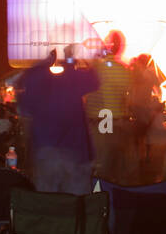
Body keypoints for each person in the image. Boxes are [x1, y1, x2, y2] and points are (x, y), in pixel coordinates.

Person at [18, 49, 99, 195]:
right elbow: (93, 80)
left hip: (45, 151)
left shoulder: (35, 83)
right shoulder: (71, 81)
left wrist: (45, 62)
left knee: (48, 203)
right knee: (76, 204)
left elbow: (24, 100)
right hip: (76, 152)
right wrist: (70, 60)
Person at [85, 37, 134, 182]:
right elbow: (127, 94)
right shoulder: (122, 69)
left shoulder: (96, 69)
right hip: (117, 118)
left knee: (101, 161)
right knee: (115, 162)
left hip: (101, 118)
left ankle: (100, 194)